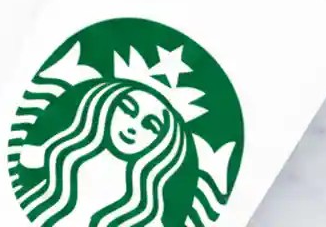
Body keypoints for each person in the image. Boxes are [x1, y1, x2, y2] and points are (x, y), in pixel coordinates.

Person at [12, 80, 194, 227]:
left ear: (162, 143)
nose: (133, 127)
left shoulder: (148, 213)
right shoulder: (40, 157)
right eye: (127, 109)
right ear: (106, 106)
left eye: (150, 125)